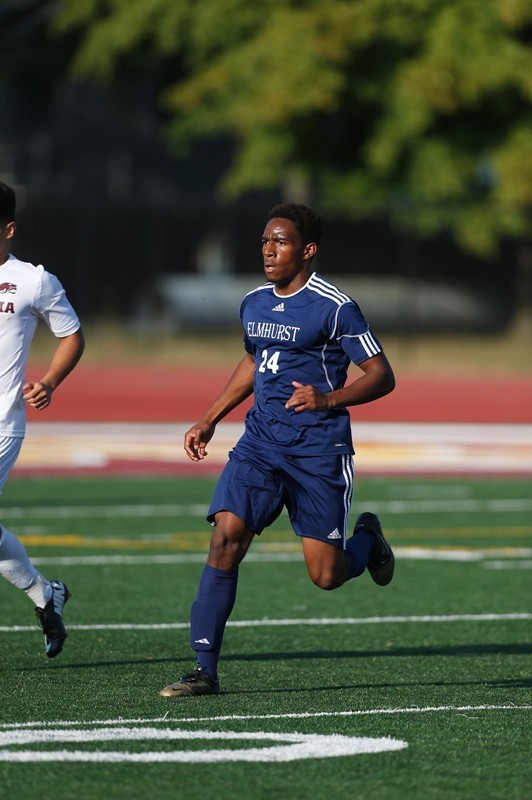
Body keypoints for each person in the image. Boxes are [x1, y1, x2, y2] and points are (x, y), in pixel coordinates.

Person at [160, 202, 395, 698]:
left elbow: (381, 375)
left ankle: (368, 540)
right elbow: (253, 361)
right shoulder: (254, 302)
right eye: (266, 241)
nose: (269, 250)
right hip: (261, 444)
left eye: (281, 242)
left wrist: (327, 397)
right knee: (226, 537)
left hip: (318, 451)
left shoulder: (335, 306)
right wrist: (210, 417)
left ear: (307, 250)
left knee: (326, 575)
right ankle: (204, 670)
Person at [0, 180, 84, 657]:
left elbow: (71, 336)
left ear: (8, 229)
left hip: (2, 423)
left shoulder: (33, 280)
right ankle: (45, 595)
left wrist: (49, 381)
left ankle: (45, 595)